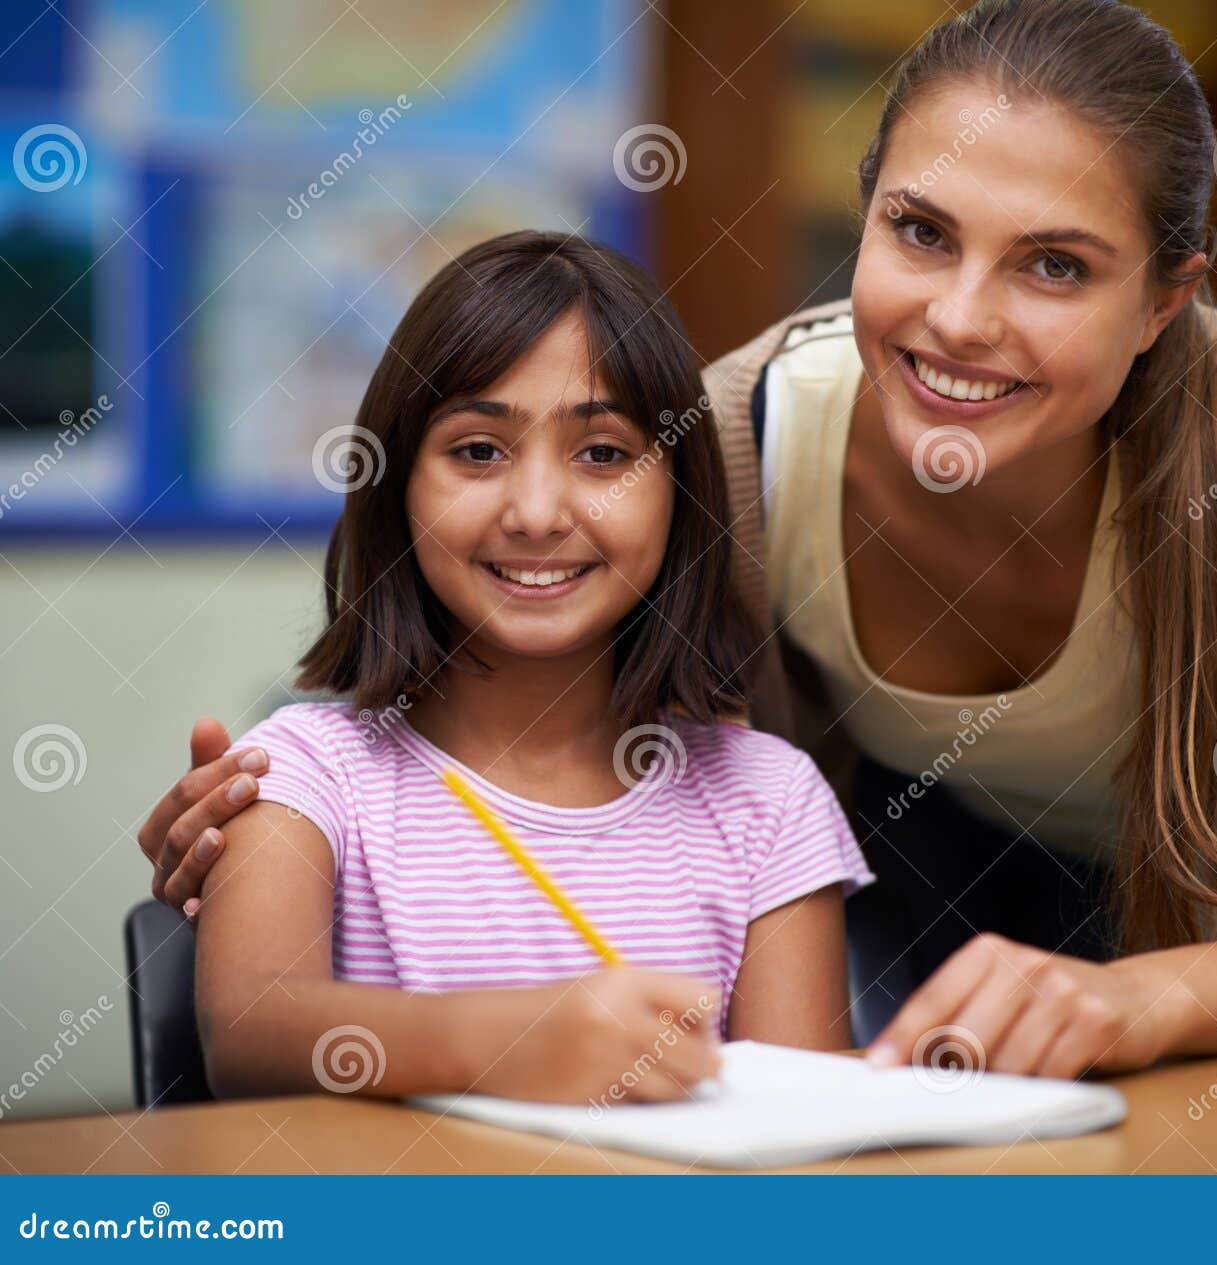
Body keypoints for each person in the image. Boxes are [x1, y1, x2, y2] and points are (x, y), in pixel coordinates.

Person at [141, 0, 1217, 1083]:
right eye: (920, 231)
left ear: (1164, 299)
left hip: (1192, 950)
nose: (960, 317)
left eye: (1055, 264)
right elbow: (476, 634)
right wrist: (257, 816)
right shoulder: (734, 441)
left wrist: (1133, 1001)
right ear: (866, 214)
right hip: (907, 900)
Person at [191, 230, 871, 1104]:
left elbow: (801, 1128)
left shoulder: (769, 802)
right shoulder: (307, 773)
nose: (538, 512)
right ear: (396, 486)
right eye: (478, 450)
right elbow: (248, 1034)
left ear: (682, 493)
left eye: (604, 454)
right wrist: (518, 1039)